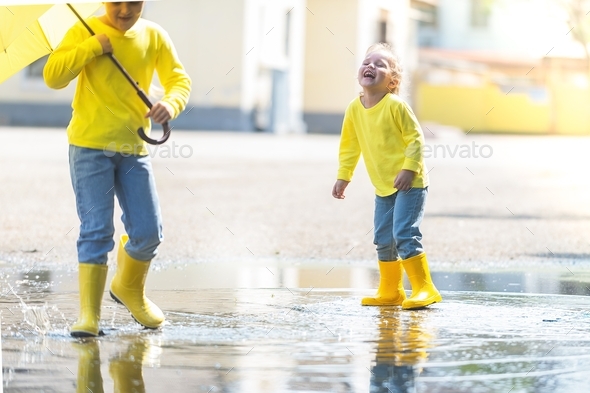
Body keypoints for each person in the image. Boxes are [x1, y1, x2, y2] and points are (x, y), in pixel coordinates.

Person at [43, 1, 191, 337]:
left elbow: (179, 80)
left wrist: (169, 104)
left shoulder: (154, 36)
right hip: (89, 146)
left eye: (134, 3)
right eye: (116, 3)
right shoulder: (84, 30)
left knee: (149, 231)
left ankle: (128, 289)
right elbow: (53, 76)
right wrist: (91, 47)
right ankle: (88, 316)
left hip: (133, 148)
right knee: (96, 231)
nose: (124, 11)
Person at [332, 43, 440, 310]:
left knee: (404, 233)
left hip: (410, 183)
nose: (371, 66)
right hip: (383, 186)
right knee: (383, 238)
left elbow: (415, 139)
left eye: (381, 64)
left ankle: (425, 288)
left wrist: (408, 169)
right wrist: (344, 176)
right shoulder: (354, 109)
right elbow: (349, 145)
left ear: (393, 81)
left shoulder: (396, 105)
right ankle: (391, 291)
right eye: (368, 61)